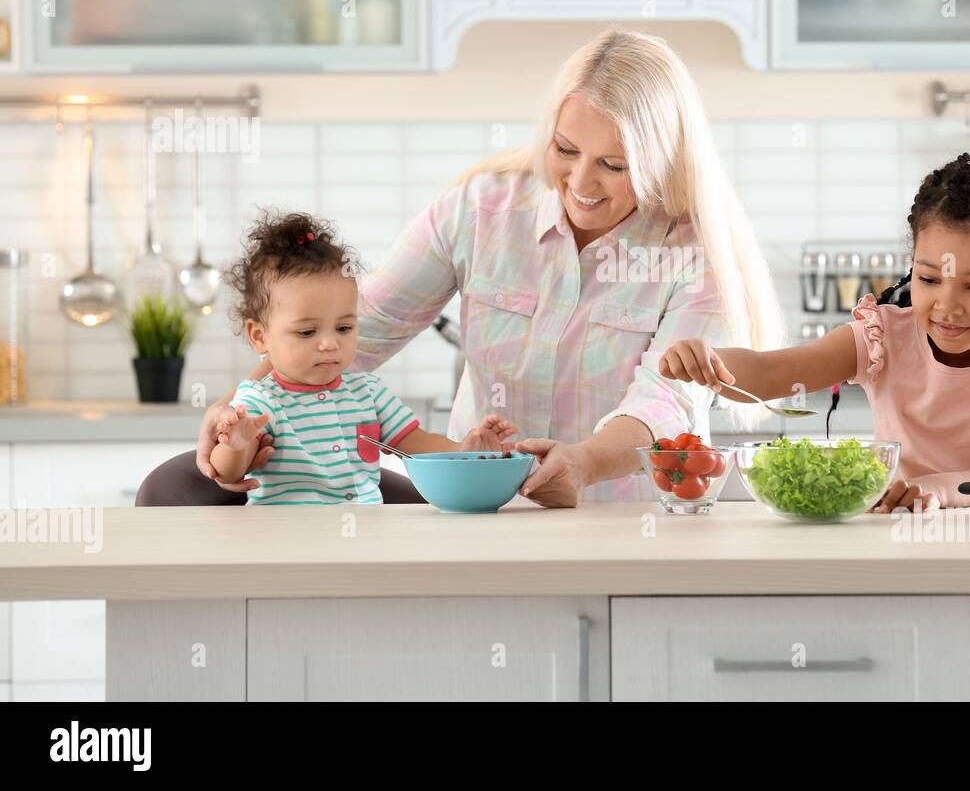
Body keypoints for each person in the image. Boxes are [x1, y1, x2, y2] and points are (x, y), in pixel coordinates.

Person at [136, 28, 782, 507]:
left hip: (633, 525)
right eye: (564, 150)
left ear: (663, 158)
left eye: (615, 166)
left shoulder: (695, 253)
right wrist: (235, 408)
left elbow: (663, 401)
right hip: (484, 518)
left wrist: (582, 465)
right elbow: (360, 329)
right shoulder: (482, 209)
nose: (580, 183)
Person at [658, 148, 970, 512]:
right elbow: (772, 374)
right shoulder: (884, 337)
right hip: (892, 527)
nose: (947, 305)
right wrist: (708, 362)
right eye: (929, 279)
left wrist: (938, 490)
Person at [208, 209, 515, 504]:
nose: (329, 343)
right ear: (260, 336)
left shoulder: (367, 392)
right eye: (307, 332)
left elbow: (416, 443)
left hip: (364, 541)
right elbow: (228, 471)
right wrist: (237, 445)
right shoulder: (259, 401)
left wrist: (466, 450)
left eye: (343, 327)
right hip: (288, 542)